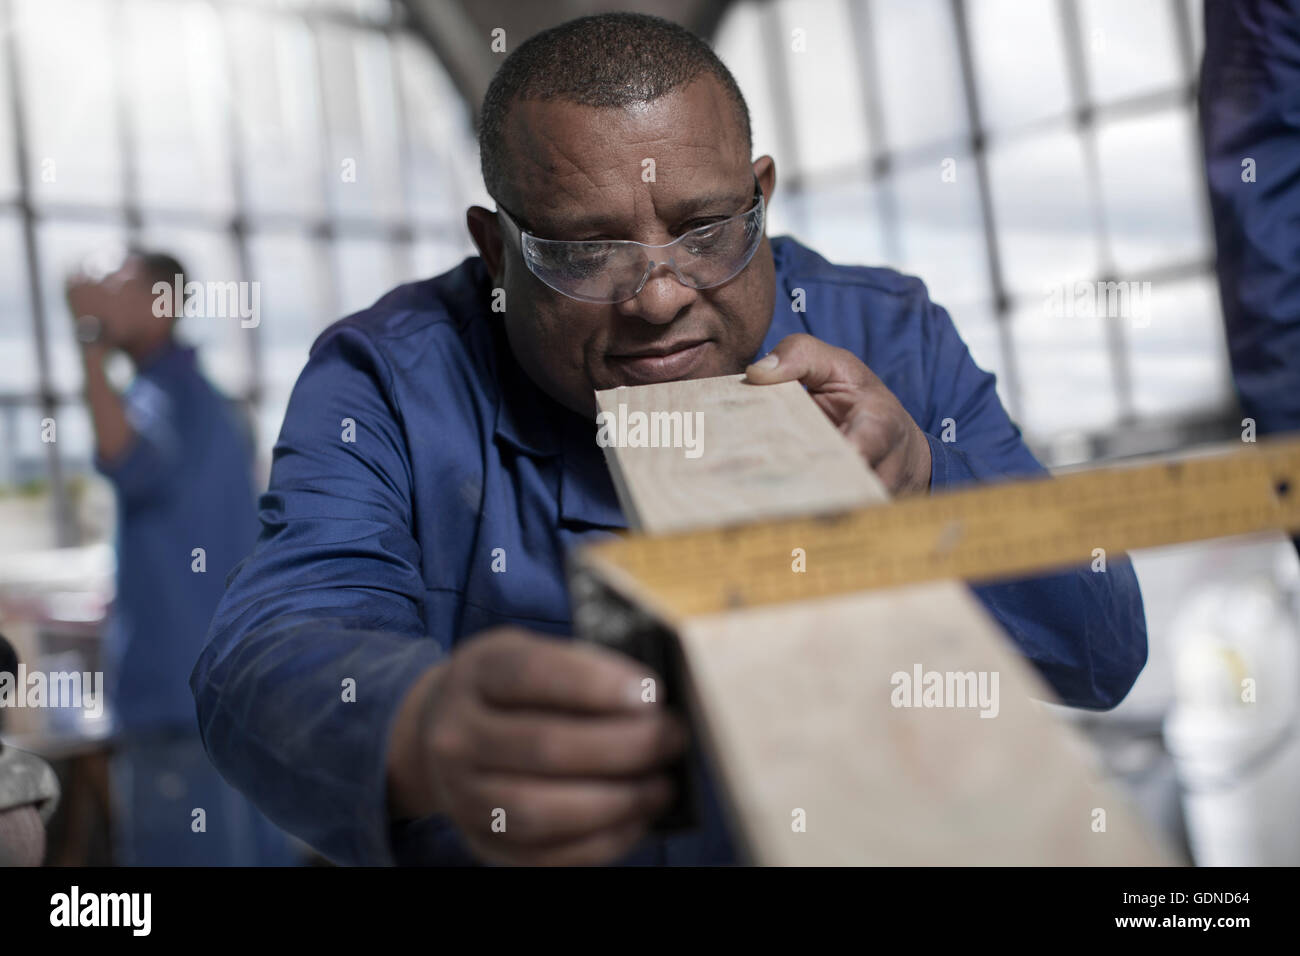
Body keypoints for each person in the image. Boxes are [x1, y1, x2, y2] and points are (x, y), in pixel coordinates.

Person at [193, 12, 1148, 866]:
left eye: (706, 230)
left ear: (761, 196)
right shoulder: (391, 380)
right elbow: (269, 648)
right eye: (584, 251)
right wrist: (417, 726)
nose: (658, 297)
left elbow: (1102, 643)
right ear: (497, 249)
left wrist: (934, 491)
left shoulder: (889, 334)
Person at [66, 250, 297, 865]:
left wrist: (87, 341)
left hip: (179, 700)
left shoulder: (173, 396)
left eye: (117, 289)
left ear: (158, 305)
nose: (99, 300)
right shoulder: (205, 400)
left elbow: (125, 458)